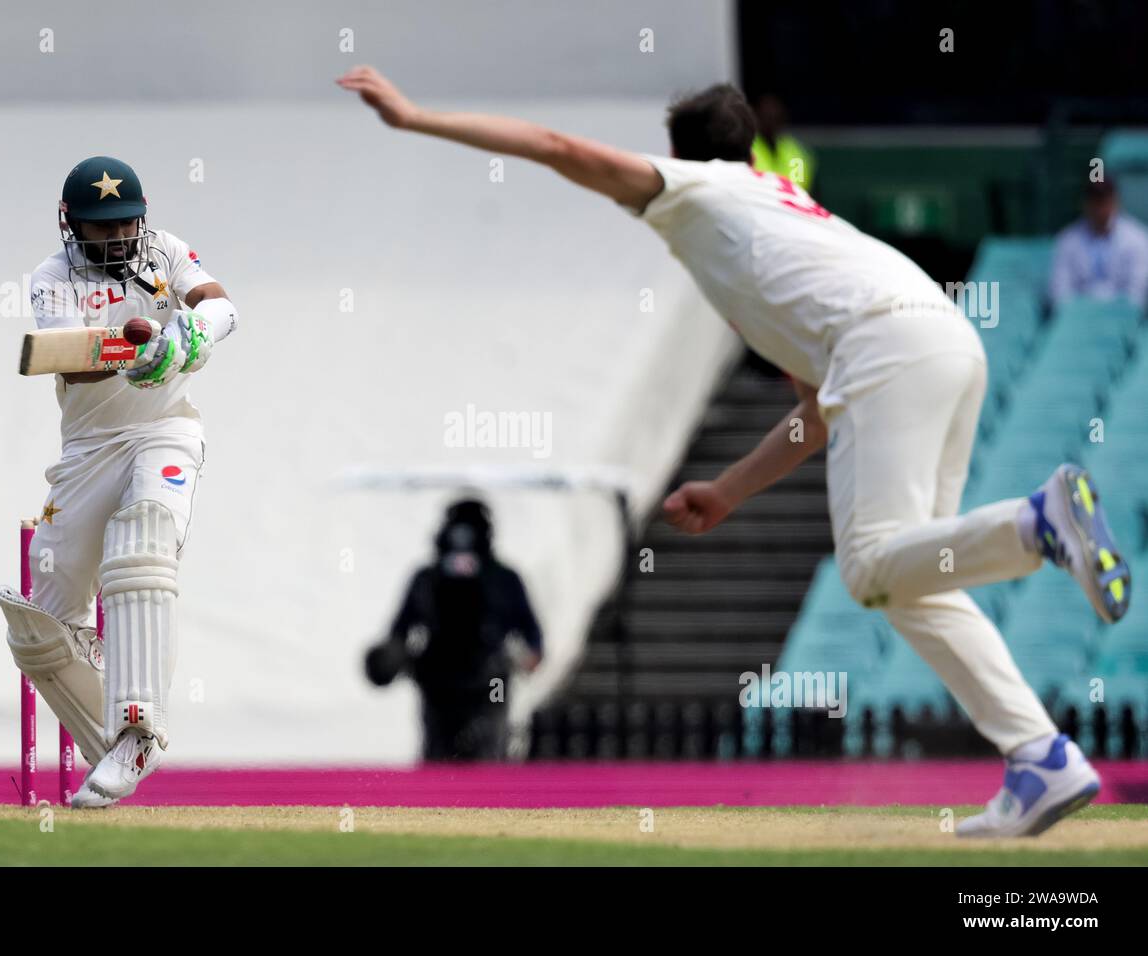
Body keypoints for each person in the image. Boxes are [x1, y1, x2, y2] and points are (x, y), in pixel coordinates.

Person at [337, 67, 1132, 836]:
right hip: (943, 342)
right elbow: (813, 417)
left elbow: (554, 145)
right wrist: (727, 491)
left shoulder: (699, 192)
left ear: (684, 158)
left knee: (868, 568)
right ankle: (1040, 756)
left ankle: (1035, 526)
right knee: (916, 582)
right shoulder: (777, 224)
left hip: (886, 350)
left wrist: (417, 117)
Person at [0, 156, 239, 808]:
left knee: (143, 541)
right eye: (103, 229)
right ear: (73, 226)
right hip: (89, 449)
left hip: (165, 433)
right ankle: (118, 741)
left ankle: (136, 726)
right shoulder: (52, 279)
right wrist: (140, 350)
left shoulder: (167, 249)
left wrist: (186, 334)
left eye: (127, 223)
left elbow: (223, 308)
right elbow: (70, 363)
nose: (119, 237)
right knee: (38, 625)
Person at [365, 499, 543, 761]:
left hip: (490, 681)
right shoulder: (429, 578)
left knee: (488, 748)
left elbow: (530, 631)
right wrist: (390, 659)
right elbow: (400, 631)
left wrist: (531, 654)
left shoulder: (502, 578)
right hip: (440, 682)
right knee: (442, 756)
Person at [1050, 177, 1148, 307]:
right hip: (1080, 319)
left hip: (1123, 319)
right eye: (1094, 201)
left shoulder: (1137, 239)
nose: (1099, 208)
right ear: (1084, 203)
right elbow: (1059, 292)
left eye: (1104, 201)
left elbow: (1137, 293)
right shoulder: (1067, 240)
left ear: (1115, 201)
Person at [750, 93, 815, 191]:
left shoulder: (795, 152)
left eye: (775, 115)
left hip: (790, 204)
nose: (771, 120)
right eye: (766, 115)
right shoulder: (747, 147)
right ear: (756, 116)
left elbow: (801, 187)